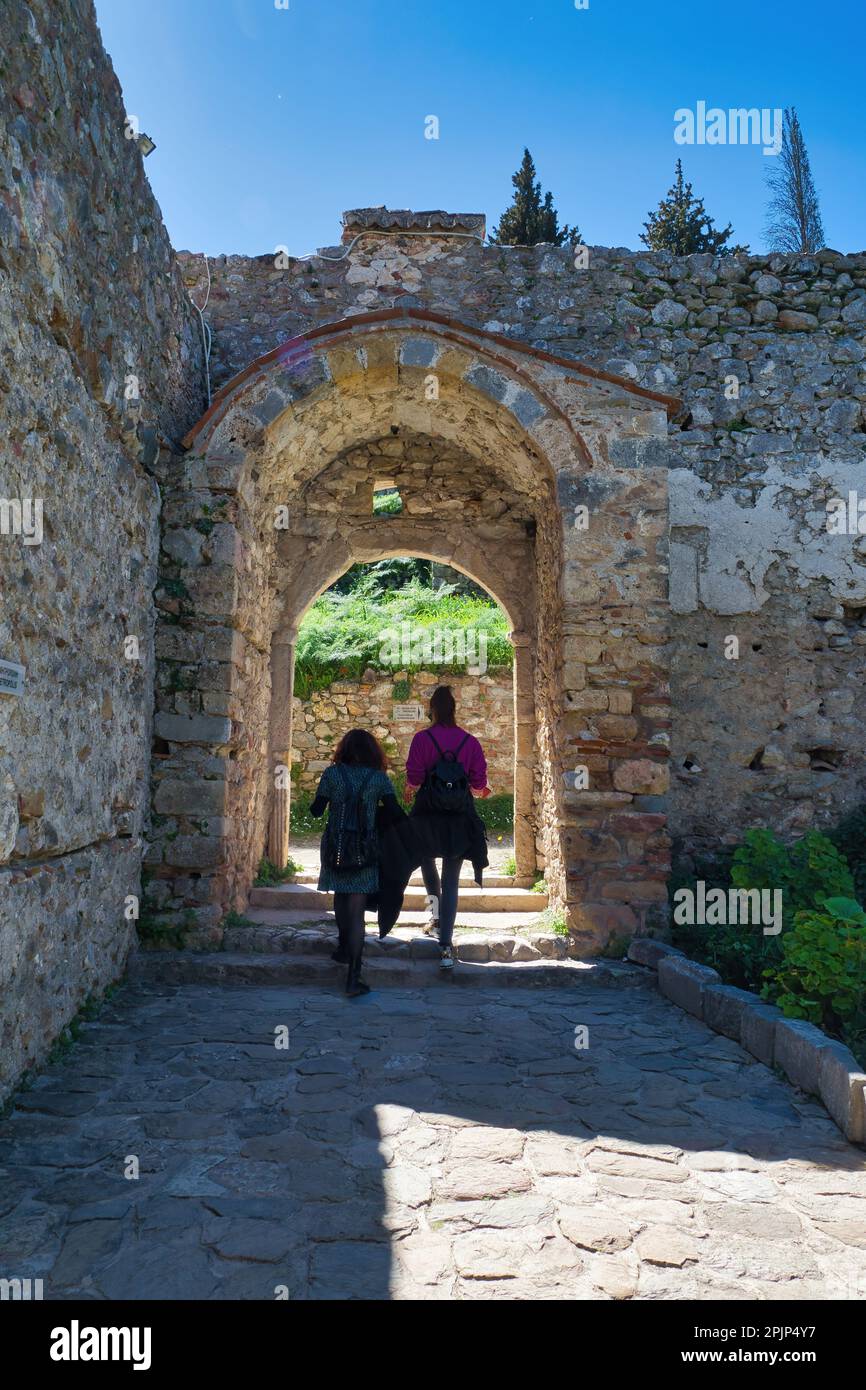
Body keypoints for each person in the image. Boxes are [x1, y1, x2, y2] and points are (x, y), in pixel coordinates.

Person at [404, 685, 491, 970]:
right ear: (454, 710)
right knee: (451, 878)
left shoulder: (421, 739)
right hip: (458, 817)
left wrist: (411, 788)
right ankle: (446, 946)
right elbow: (478, 784)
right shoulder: (470, 742)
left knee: (426, 861)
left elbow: (415, 777)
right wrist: (482, 788)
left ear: (432, 710)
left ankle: (436, 917)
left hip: (427, 814)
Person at [309, 729, 400, 997]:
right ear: (373, 752)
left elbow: (316, 811)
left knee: (340, 895)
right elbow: (395, 813)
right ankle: (353, 977)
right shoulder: (378, 779)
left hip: (336, 848)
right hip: (365, 850)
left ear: (344, 749)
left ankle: (342, 948)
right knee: (357, 911)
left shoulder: (332, 775)